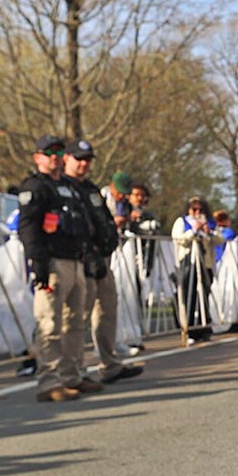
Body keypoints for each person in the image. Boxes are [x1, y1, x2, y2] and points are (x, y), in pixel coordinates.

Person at [14, 135, 104, 403]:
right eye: (48, 152)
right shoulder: (34, 187)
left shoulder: (68, 186)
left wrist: (91, 255)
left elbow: (82, 223)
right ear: (37, 157)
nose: (54, 156)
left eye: (58, 151)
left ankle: (72, 375)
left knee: (75, 323)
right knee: (49, 323)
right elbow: (28, 227)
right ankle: (49, 381)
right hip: (53, 262)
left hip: (75, 260)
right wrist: (38, 262)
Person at [65, 140, 141, 383]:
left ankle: (110, 364)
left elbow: (103, 220)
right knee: (79, 316)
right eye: (79, 159)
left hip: (101, 259)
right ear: (67, 158)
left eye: (88, 160)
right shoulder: (61, 188)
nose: (84, 164)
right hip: (79, 259)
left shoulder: (90, 189)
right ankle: (74, 370)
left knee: (107, 309)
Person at [171, 196, 218, 342]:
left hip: (205, 265)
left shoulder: (208, 223)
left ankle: (204, 327)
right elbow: (177, 238)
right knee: (188, 296)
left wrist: (209, 232)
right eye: (194, 209)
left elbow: (220, 239)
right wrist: (193, 231)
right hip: (188, 263)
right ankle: (189, 329)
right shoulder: (182, 222)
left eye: (200, 209)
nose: (197, 212)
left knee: (204, 296)